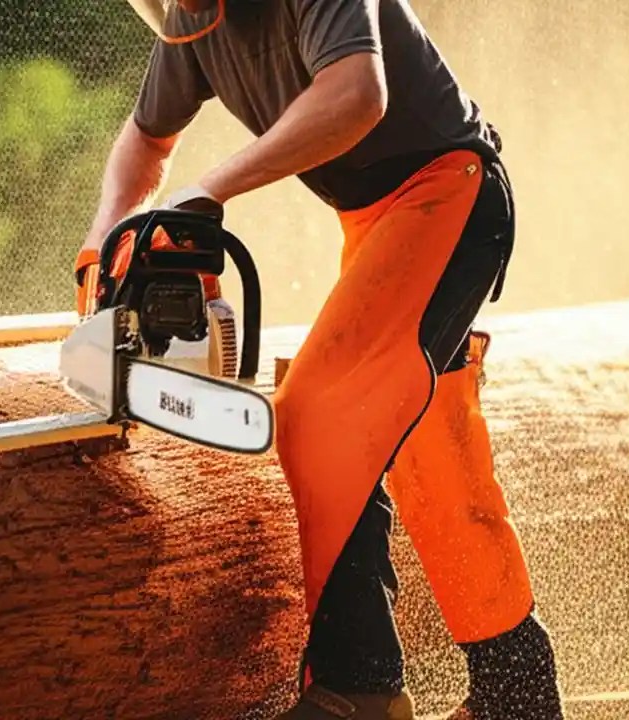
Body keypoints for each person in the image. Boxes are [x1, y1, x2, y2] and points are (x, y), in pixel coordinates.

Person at [73, 1, 564, 718]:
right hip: (378, 219)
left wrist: (212, 187)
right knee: (430, 446)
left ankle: (358, 686)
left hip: (448, 190)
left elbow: (358, 94)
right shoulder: (193, 22)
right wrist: (109, 237)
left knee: (324, 410)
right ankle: (517, 694)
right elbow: (145, 143)